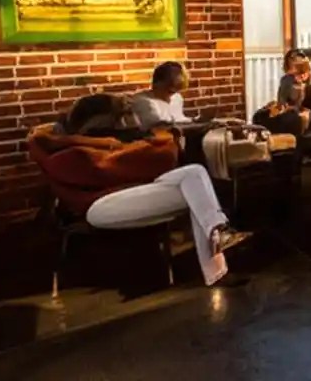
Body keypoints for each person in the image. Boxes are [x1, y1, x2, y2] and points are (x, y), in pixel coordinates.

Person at [28, 94, 247, 286]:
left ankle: (217, 234)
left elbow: (155, 155)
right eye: (121, 118)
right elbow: (154, 159)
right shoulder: (71, 154)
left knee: (194, 174)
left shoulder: (108, 145)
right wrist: (122, 148)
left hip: (131, 192)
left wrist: (123, 148)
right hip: (101, 206)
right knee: (197, 194)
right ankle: (217, 253)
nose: (126, 122)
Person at [131, 61, 197, 130]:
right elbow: (160, 126)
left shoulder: (176, 98)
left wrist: (193, 121)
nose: (172, 95)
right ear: (156, 84)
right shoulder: (143, 102)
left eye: (175, 92)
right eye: (169, 91)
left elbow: (179, 119)